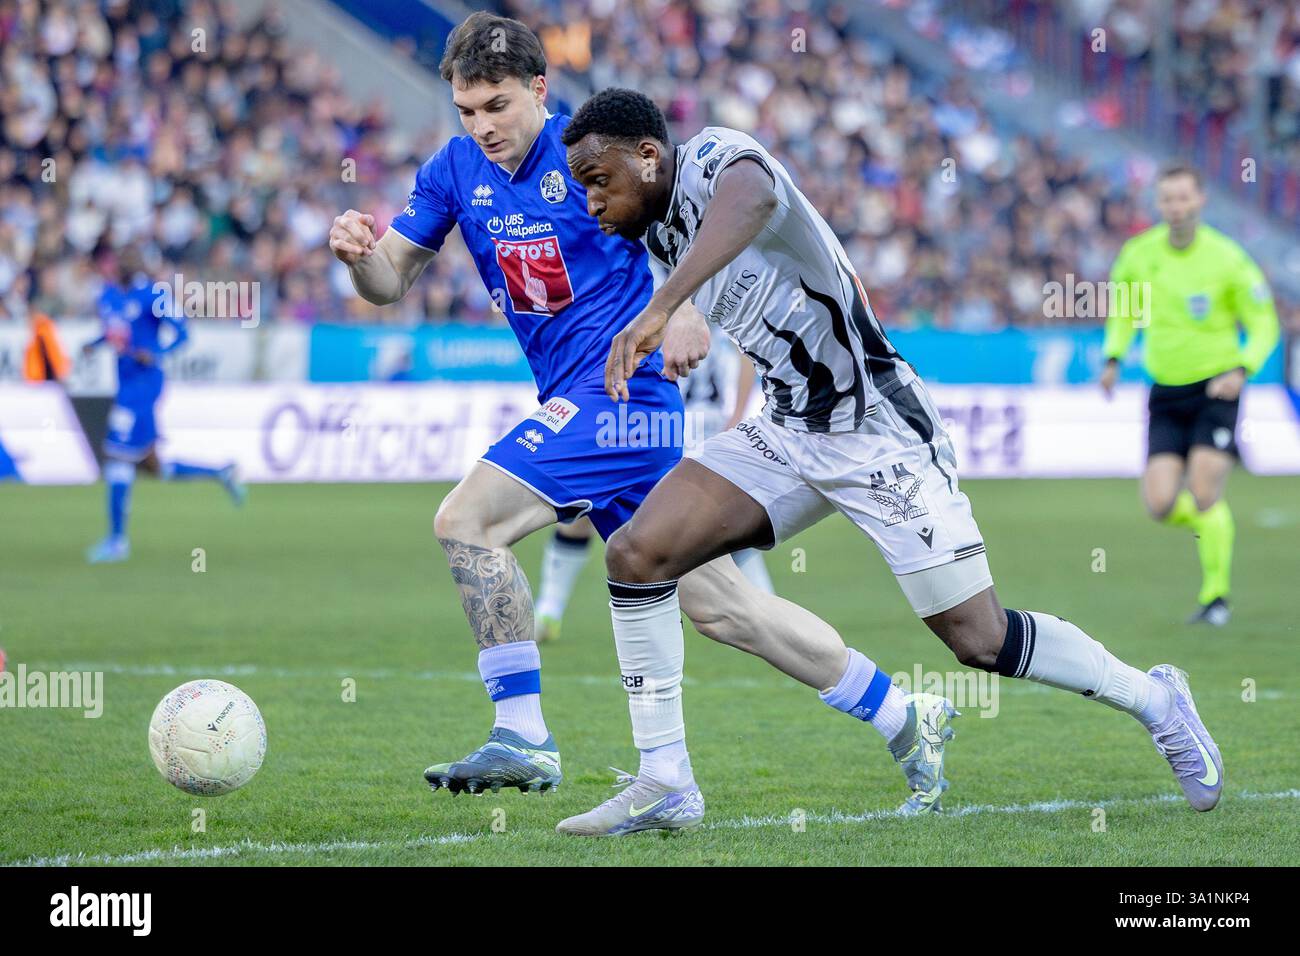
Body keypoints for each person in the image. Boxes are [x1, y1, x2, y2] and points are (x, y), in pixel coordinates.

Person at [330, 16, 949, 828]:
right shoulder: (452, 172)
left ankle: (522, 733)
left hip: (619, 397)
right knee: (724, 607)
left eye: (498, 105)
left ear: (540, 91)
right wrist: (358, 258)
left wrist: (684, 307)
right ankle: (906, 715)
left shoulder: (590, 152)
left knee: (466, 519)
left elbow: (677, 218)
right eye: (467, 109)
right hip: (593, 407)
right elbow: (389, 283)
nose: (482, 125)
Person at [558, 87, 1224, 834]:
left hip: (877, 427)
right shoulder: (657, 232)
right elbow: (700, 274)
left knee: (979, 638)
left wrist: (666, 308)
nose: (590, 200)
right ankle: (666, 782)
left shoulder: (717, 158)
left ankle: (1155, 699)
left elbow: (754, 197)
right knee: (637, 554)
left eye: (597, 179)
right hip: (786, 430)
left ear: (649, 156)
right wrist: (676, 309)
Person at [1101, 164, 1279, 626]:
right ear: (1158, 205)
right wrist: (1113, 357)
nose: (1176, 208)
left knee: (1202, 490)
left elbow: (1264, 324)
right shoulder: (1139, 255)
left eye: (1183, 198)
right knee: (1159, 503)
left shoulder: (1228, 259)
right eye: (1167, 200)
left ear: (1200, 201)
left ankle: (1215, 596)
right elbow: (1124, 313)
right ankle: (1212, 524)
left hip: (1216, 388)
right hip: (1165, 391)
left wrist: (1242, 368)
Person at [531, 326, 771, 644]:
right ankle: (549, 611)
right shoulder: (695, 300)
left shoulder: (675, 301)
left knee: (711, 520)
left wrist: (738, 414)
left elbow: (744, 355)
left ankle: (550, 607)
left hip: (670, 425)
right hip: (671, 424)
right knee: (716, 519)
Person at [82, 249, 245, 563]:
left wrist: (156, 352)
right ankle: (220, 473)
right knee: (155, 467)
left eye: (133, 262)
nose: (126, 267)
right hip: (125, 385)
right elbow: (114, 333)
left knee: (117, 457)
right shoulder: (109, 296)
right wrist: (96, 344)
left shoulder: (152, 295)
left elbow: (183, 332)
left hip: (144, 387)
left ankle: (117, 541)